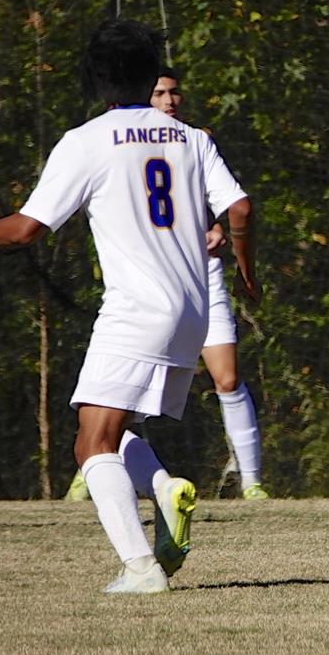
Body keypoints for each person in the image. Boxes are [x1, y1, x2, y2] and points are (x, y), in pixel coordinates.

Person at [0, 19, 257, 594]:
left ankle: (139, 568)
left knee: (91, 442)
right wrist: (248, 272)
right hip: (194, 308)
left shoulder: (86, 140)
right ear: (147, 75)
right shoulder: (191, 137)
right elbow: (242, 210)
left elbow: (26, 230)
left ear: (96, 79)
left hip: (138, 308)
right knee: (109, 423)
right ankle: (162, 489)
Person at [64, 66, 268, 501]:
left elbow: (230, 206)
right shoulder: (122, 147)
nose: (169, 101)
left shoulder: (195, 141)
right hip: (152, 288)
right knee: (123, 405)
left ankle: (251, 481)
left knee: (226, 379)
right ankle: (103, 463)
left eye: (175, 93)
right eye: (159, 93)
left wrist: (215, 233)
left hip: (199, 282)